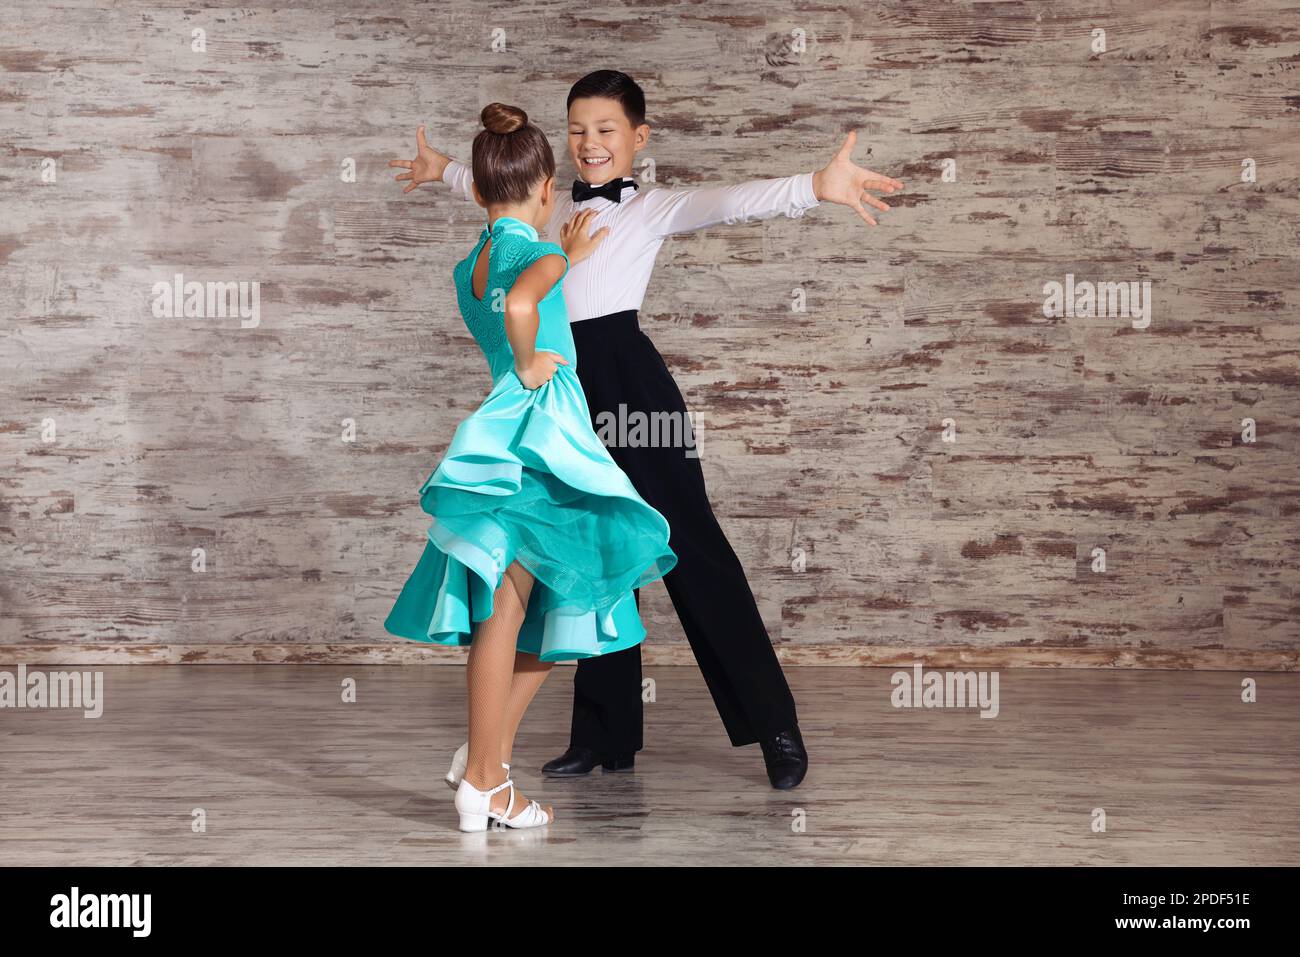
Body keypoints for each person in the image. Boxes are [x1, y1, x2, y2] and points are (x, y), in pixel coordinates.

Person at [390, 70, 903, 790]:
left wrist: (816, 184)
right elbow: (492, 189)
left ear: (639, 137)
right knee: (588, 557)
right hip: (560, 392)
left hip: (634, 389)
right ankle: (604, 736)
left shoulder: (654, 206)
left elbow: (732, 203)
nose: (589, 143)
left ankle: (775, 726)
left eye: (605, 129)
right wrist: (441, 166)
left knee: (690, 546)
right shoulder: (549, 204)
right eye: (577, 129)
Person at [384, 102, 676, 830]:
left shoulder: (467, 266)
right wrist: (536, 334)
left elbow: (502, 286)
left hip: (499, 436)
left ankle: (486, 759)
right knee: (544, 603)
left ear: (482, 191)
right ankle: (486, 777)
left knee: (540, 604)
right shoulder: (538, 257)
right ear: (547, 188)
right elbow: (523, 301)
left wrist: (557, 266)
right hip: (542, 435)